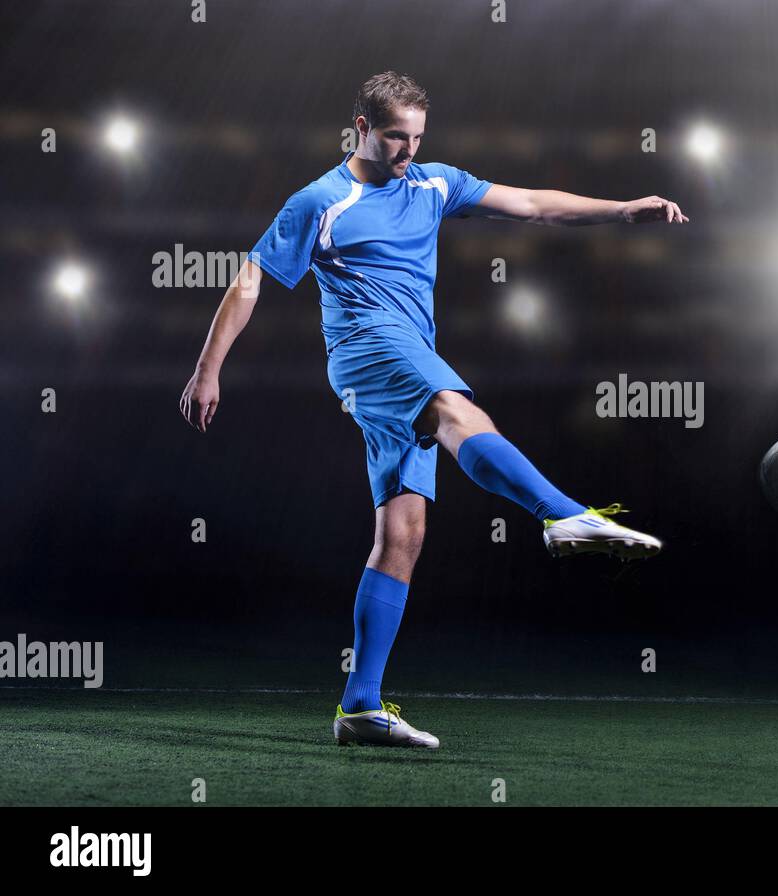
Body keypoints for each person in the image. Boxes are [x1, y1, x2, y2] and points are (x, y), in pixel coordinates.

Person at [179, 71, 688, 749]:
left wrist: (622, 210)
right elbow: (250, 280)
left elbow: (532, 204)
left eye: (418, 137)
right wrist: (208, 368)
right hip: (367, 349)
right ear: (362, 128)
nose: (409, 150)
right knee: (453, 407)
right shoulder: (321, 200)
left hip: (406, 354)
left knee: (403, 532)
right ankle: (562, 515)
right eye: (396, 137)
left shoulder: (434, 183)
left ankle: (360, 706)